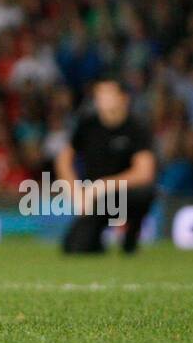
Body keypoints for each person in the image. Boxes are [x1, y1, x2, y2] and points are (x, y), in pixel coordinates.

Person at [55, 78, 156, 254]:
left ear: (124, 98)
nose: (103, 99)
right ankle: (96, 241)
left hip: (124, 195)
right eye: (100, 94)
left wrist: (103, 185)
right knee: (74, 248)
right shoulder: (87, 126)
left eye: (109, 93)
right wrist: (75, 191)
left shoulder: (136, 127)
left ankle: (130, 240)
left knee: (145, 192)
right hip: (95, 201)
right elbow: (63, 160)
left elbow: (145, 172)